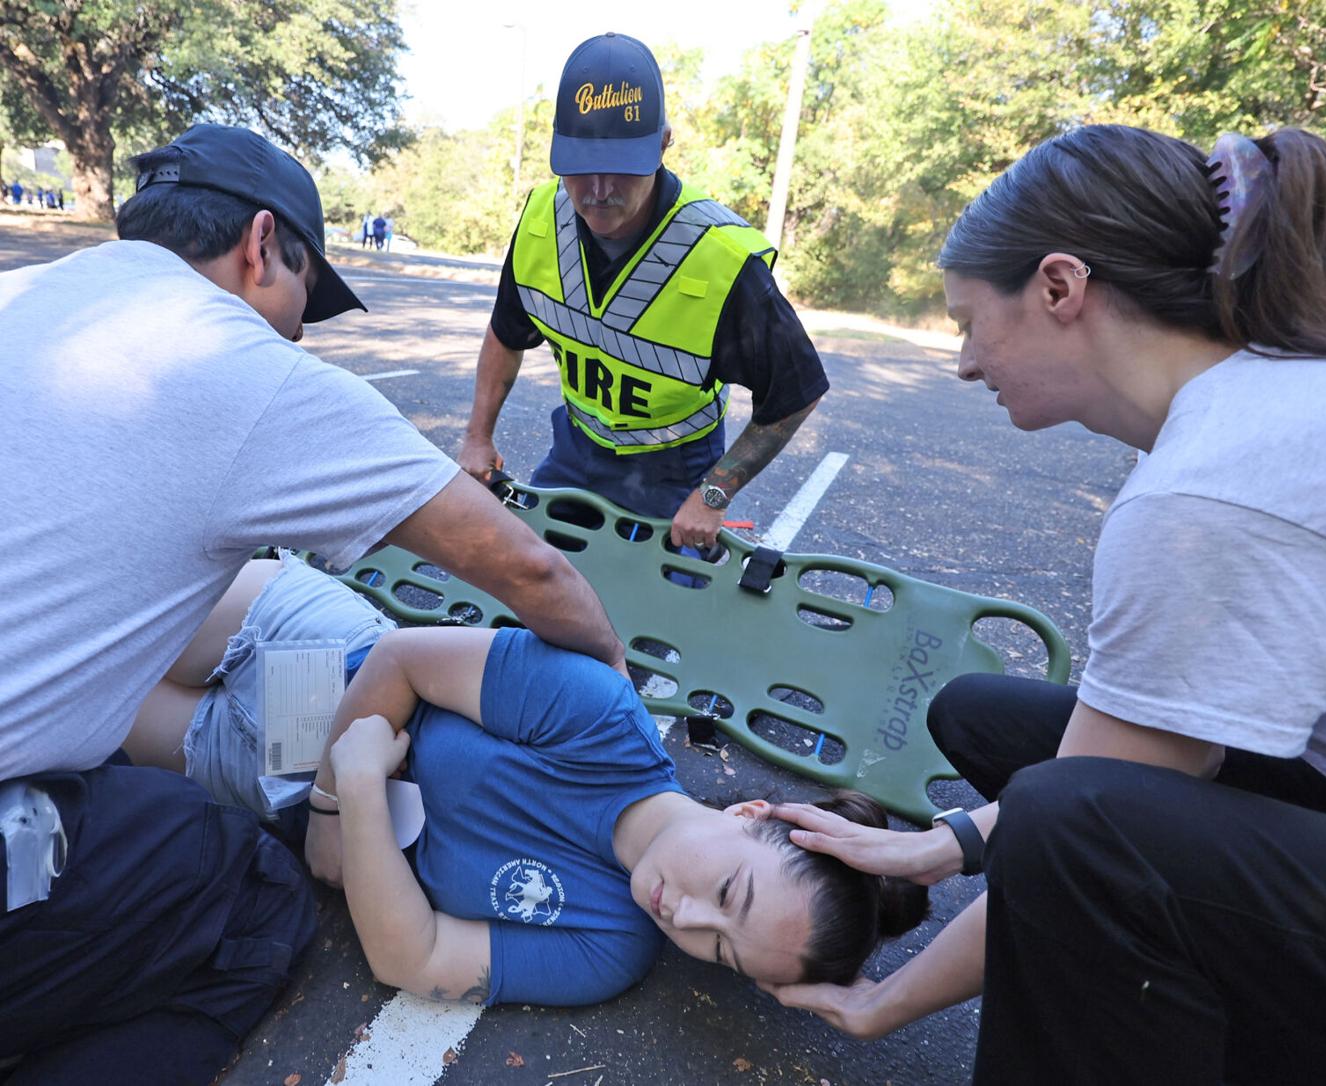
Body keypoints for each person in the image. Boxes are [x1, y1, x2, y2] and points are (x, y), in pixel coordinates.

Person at [760, 125, 1326, 1085]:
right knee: (988, 718)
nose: (966, 363)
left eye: (970, 323)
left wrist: (880, 1002)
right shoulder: (1277, 401)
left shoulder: (1207, 494)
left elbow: (1089, 824)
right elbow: (1150, 760)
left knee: (1068, 824)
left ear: (1061, 288)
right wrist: (948, 847)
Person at [0, 123, 624, 1085]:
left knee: (142, 747)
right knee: (255, 897)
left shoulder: (31, 295)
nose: (298, 327)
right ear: (260, 245)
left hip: (271, 718)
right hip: (288, 728)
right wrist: (613, 693)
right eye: (301, 292)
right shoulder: (241, 367)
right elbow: (530, 574)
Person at [125, 554, 929, 1005]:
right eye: (727, 893)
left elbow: (413, 956)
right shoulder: (599, 716)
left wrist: (360, 797)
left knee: (53, 700)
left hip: (279, 782)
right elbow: (404, 659)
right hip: (317, 653)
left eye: (717, 950)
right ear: (750, 812)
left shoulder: (607, 950)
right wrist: (336, 812)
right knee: (95, 609)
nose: (681, 916)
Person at [455, 33, 829, 551]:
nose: (600, 190)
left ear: (663, 144)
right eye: (581, 167)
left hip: (677, 471)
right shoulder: (542, 220)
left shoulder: (721, 259)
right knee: (526, 576)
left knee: (659, 622)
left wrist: (713, 496)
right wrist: (478, 437)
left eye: (623, 168)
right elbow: (506, 332)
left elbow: (796, 392)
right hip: (576, 450)